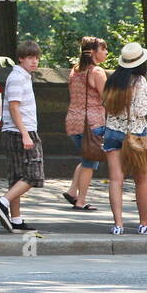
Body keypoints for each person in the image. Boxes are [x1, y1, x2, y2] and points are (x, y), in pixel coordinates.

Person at [95, 42, 147, 235]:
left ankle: (118, 225)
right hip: (136, 135)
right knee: (141, 180)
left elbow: (107, 106)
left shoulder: (113, 80)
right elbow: (140, 110)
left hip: (112, 133)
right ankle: (145, 223)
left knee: (115, 179)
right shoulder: (139, 81)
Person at [0, 40, 45, 232]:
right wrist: (25, 134)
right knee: (33, 174)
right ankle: (2, 202)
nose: (34, 61)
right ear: (21, 58)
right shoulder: (17, 77)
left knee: (17, 177)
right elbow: (14, 106)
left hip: (17, 131)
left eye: (36, 58)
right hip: (21, 131)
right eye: (30, 58)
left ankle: (16, 219)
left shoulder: (23, 76)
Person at [64, 36, 107, 212]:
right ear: (95, 52)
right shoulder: (97, 72)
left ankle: (72, 190)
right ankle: (81, 200)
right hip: (92, 123)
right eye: (103, 49)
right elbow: (107, 98)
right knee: (90, 162)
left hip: (73, 122)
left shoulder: (75, 71)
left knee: (87, 157)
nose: (105, 52)